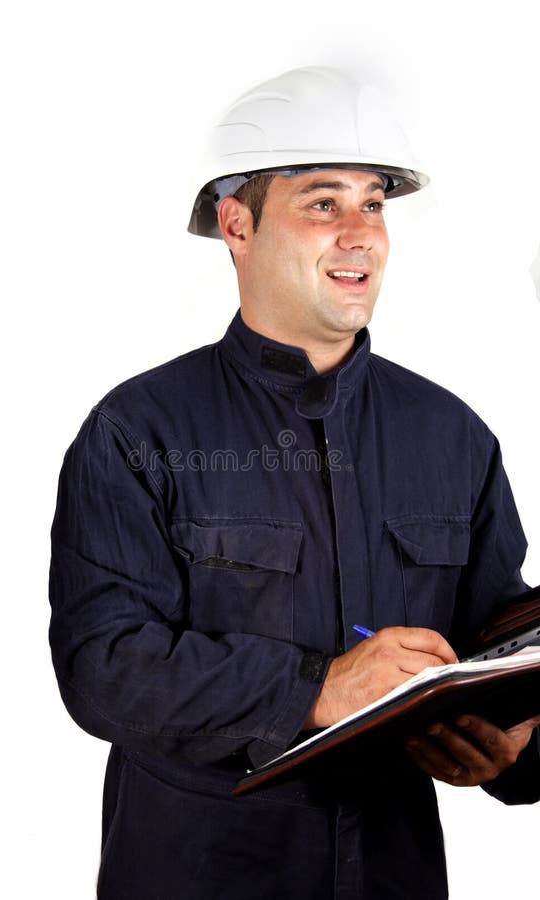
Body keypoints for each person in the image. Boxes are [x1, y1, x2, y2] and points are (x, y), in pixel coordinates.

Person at [49, 67, 540, 899]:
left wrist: (517, 745)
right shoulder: (139, 432)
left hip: (392, 876)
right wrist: (317, 688)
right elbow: (104, 666)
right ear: (237, 224)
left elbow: (498, 643)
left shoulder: (451, 436)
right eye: (323, 203)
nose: (360, 234)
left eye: (374, 205)